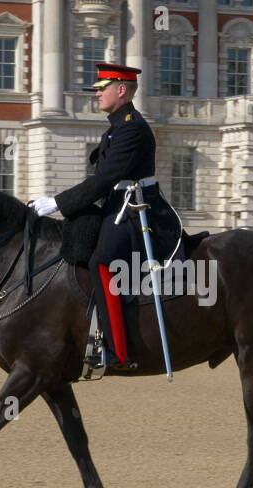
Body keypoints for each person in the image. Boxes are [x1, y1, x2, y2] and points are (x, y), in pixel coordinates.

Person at [30, 62, 181, 370]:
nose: (97, 95)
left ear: (121, 90)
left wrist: (56, 203)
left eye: (102, 89)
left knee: (103, 261)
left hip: (139, 209)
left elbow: (104, 178)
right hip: (119, 204)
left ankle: (117, 350)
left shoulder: (132, 127)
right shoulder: (118, 126)